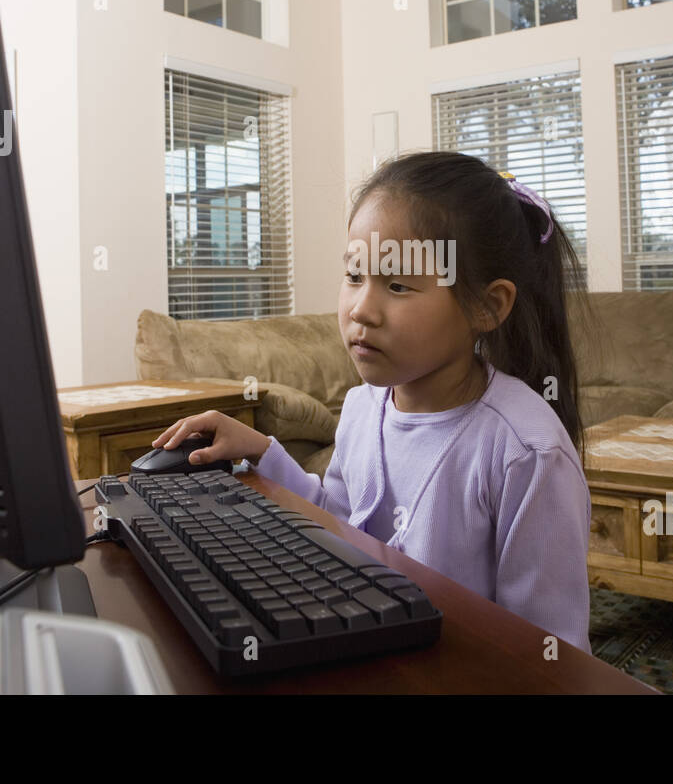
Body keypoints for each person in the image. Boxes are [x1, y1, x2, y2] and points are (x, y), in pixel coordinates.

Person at [153, 151, 595, 652]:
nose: (361, 309)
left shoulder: (526, 452)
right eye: (355, 276)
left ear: (486, 306)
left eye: (398, 285)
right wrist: (262, 453)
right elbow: (342, 526)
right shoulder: (365, 407)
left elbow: (551, 650)